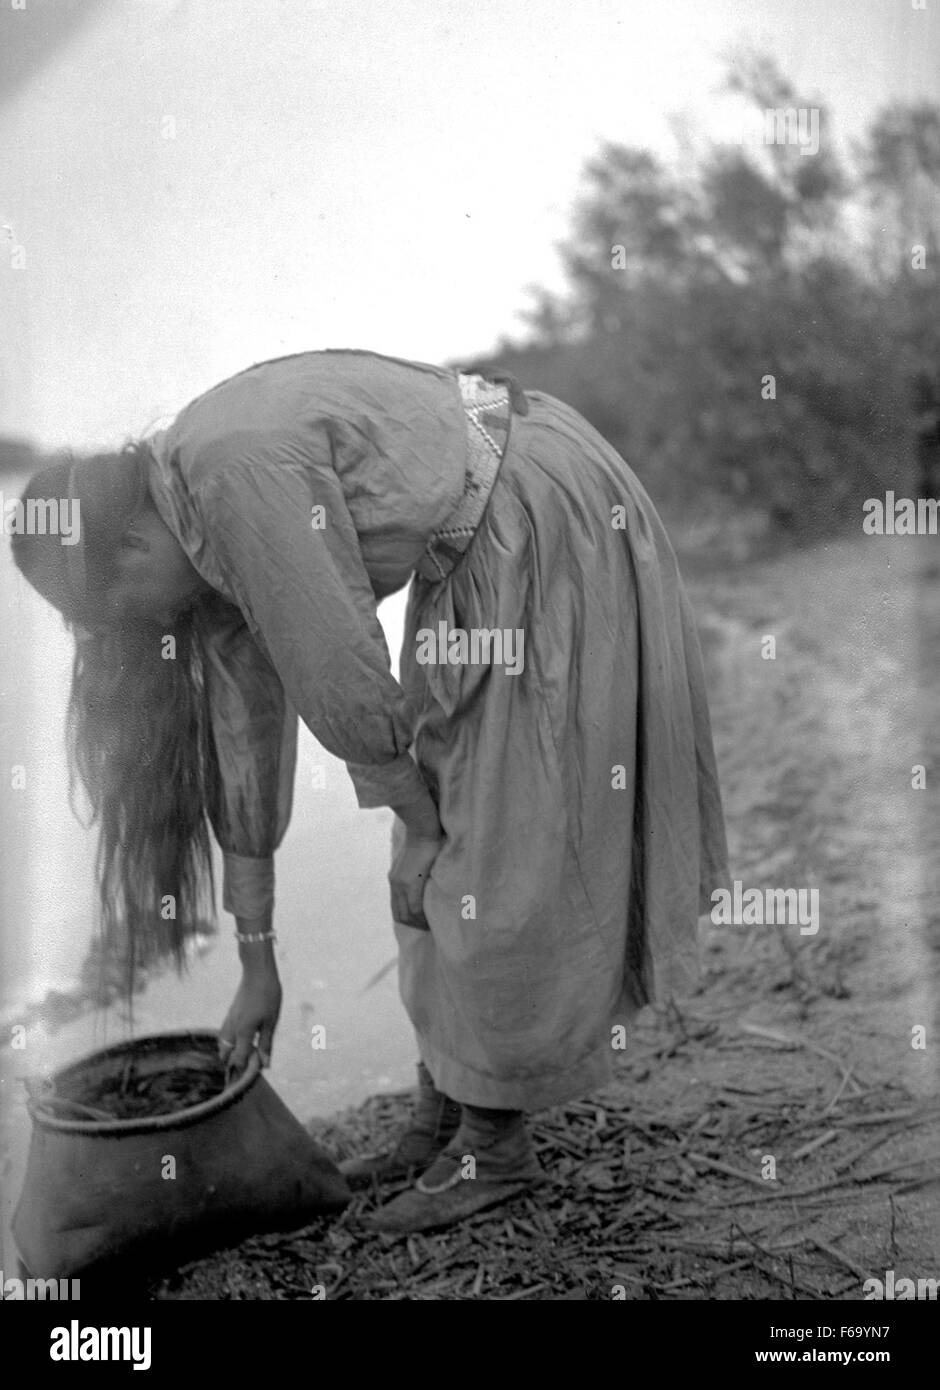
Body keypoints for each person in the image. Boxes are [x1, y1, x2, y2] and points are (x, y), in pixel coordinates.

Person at [11, 348, 728, 1233]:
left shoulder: (233, 473)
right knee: (428, 844)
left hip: (538, 514)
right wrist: (258, 961)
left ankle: (494, 1150)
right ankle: (442, 1113)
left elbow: (339, 666)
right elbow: (248, 744)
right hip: (473, 547)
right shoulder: (198, 529)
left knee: (490, 842)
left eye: (117, 609)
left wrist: (422, 820)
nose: (140, 629)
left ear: (128, 543)